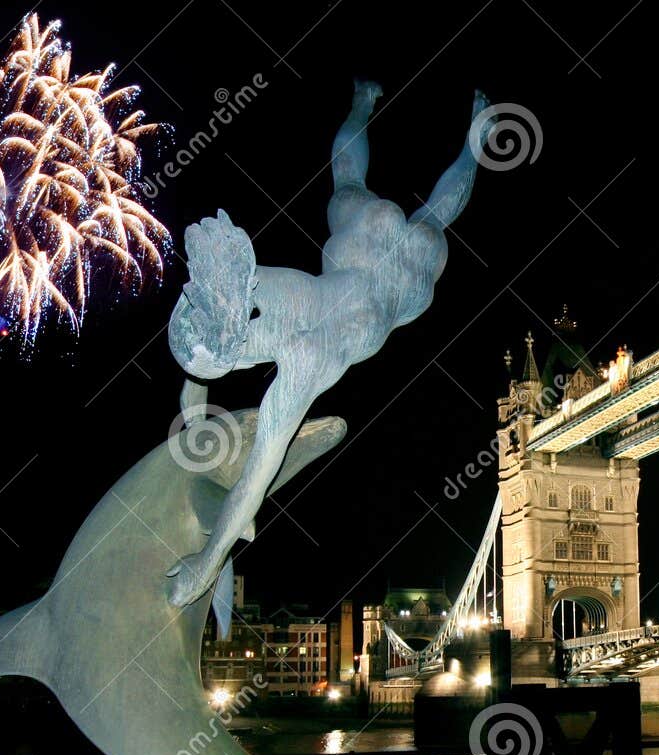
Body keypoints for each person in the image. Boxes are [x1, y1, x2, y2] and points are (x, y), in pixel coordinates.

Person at [166, 80, 493, 606]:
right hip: (366, 250)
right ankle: (380, 107)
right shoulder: (272, 298)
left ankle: (439, 129)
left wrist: (203, 570)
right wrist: (194, 392)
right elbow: (215, 315)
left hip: (400, 279)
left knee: (428, 215)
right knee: (358, 184)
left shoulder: (302, 350)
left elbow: (257, 477)